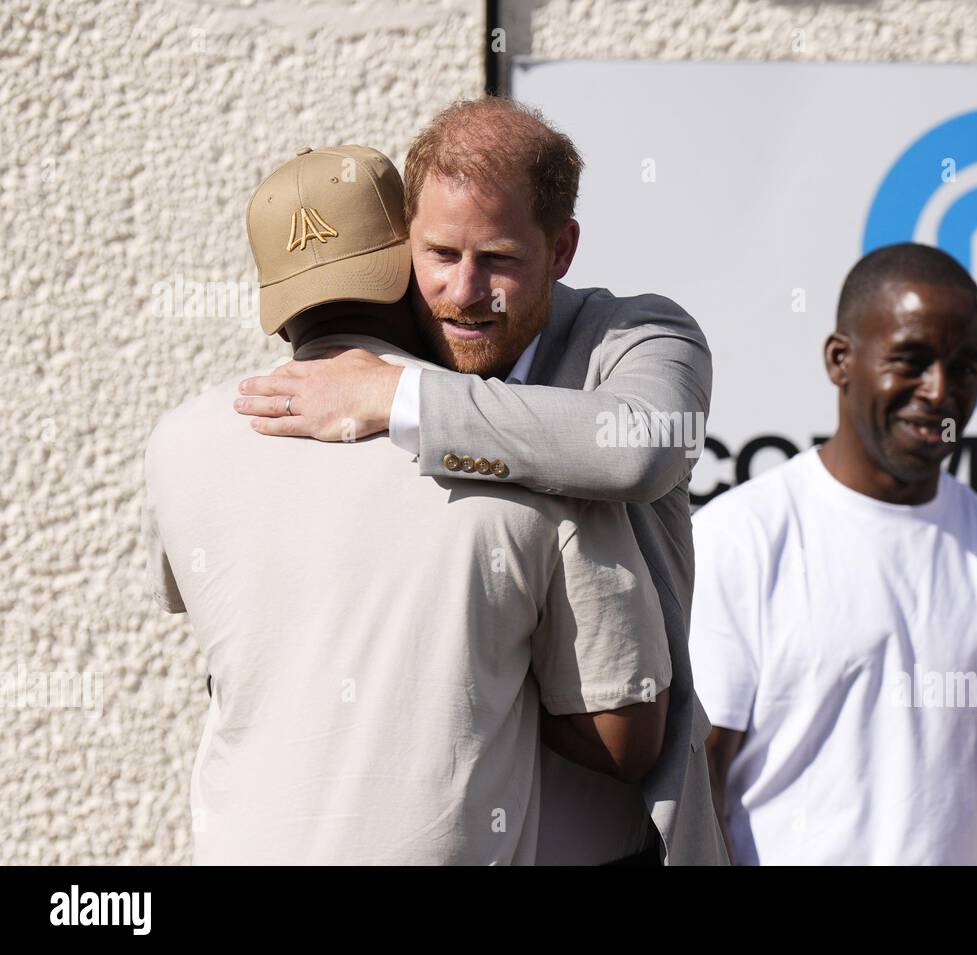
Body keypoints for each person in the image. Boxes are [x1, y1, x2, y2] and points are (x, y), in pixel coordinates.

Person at [229, 97, 728, 865]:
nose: (464, 292)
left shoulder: (640, 334)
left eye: (498, 258)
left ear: (562, 250)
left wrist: (400, 401)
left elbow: (640, 448)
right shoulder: (373, 361)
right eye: (438, 254)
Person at [690, 242, 977, 865]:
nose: (939, 392)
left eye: (964, 368)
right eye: (911, 361)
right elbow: (694, 790)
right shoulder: (741, 538)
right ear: (840, 360)